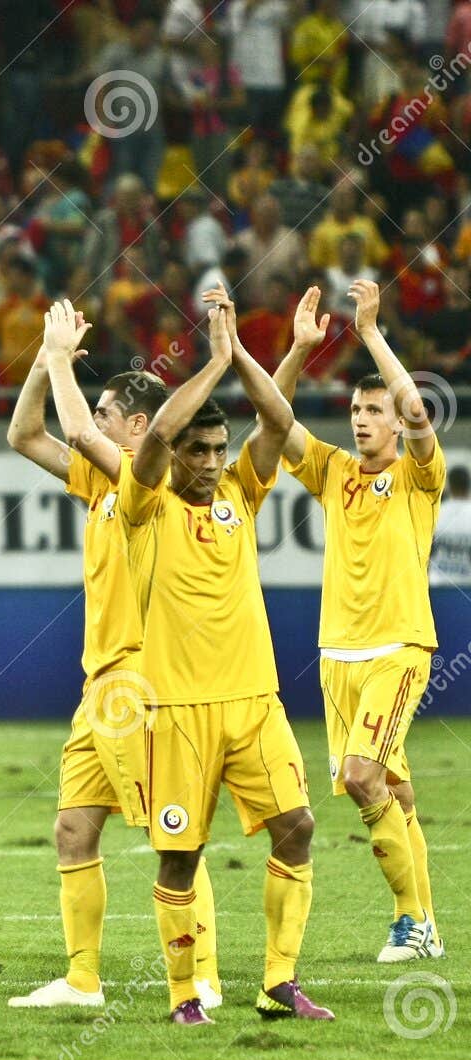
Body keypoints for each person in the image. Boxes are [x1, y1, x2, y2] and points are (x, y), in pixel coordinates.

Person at [123, 290, 328, 1025]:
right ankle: (184, 996)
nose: (212, 461)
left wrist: (248, 352)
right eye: (199, 451)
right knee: (181, 855)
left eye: (218, 449)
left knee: (298, 824)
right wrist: (210, 361)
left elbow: (278, 421)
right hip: (176, 709)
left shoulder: (240, 491)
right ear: (175, 453)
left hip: (254, 700)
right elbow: (161, 429)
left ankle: (279, 980)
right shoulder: (144, 504)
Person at [5, 316, 220, 1010]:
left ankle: (204, 975)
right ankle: (82, 979)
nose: (92, 420)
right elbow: (23, 435)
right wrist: (43, 361)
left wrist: (64, 358)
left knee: (174, 826)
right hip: (98, 681)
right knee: (73, 825)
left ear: (136, 426)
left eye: (105, 413)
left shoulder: (143, 481)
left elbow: (71, 431)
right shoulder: (101, 487)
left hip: (141, 679)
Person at [275, 281, 446, 962]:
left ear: (396, 424)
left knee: (358, 776)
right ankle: (425, 922)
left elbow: (418, 409)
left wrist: (370, 332)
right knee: (394, 792)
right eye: (354, 408)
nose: (362, 420)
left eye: (373, 410)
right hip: (335, 656)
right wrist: (298, 348)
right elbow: (274, 418)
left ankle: (412, 920)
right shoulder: (332, 471)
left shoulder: (417, 477)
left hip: (398, 648)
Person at [429, 465, 471, 585]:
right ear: (468, 486)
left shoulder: (436, 513)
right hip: (467, 588)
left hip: (436, 587)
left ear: (448, 486)